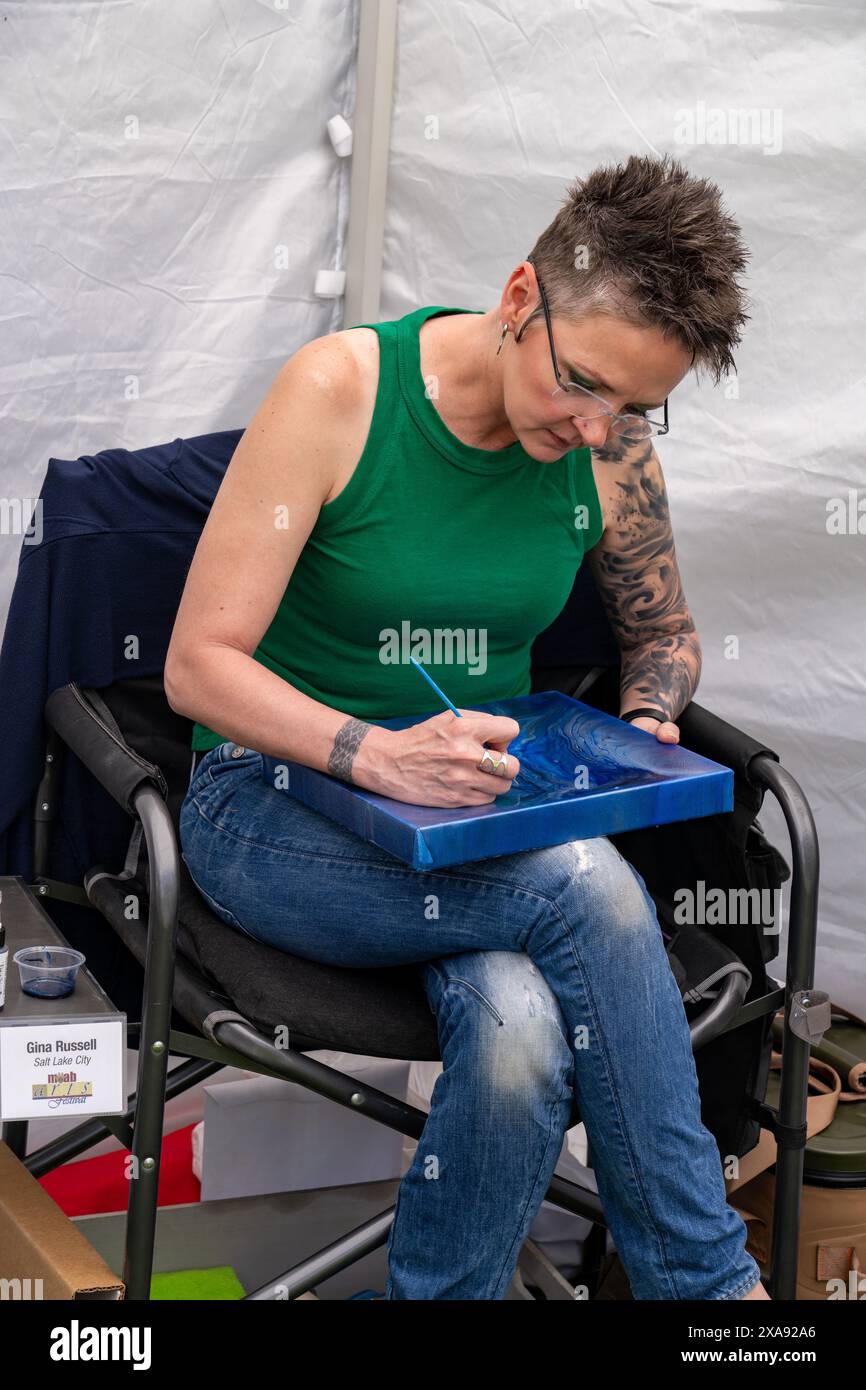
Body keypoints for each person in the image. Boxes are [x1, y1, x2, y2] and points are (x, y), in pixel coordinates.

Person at [166, 153, 770, 1300]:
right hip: (274, 800)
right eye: (584, 386)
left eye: (636, 409)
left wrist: (645, 717)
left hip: (480, 821)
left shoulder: (613, 457)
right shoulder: (338, 391)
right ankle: (710, 1291)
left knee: (521, 1026)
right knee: (587, 888)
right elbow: (198, 667)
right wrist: (374, 752)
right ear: (516, 300)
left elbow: (666, 636)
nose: (601, 430)